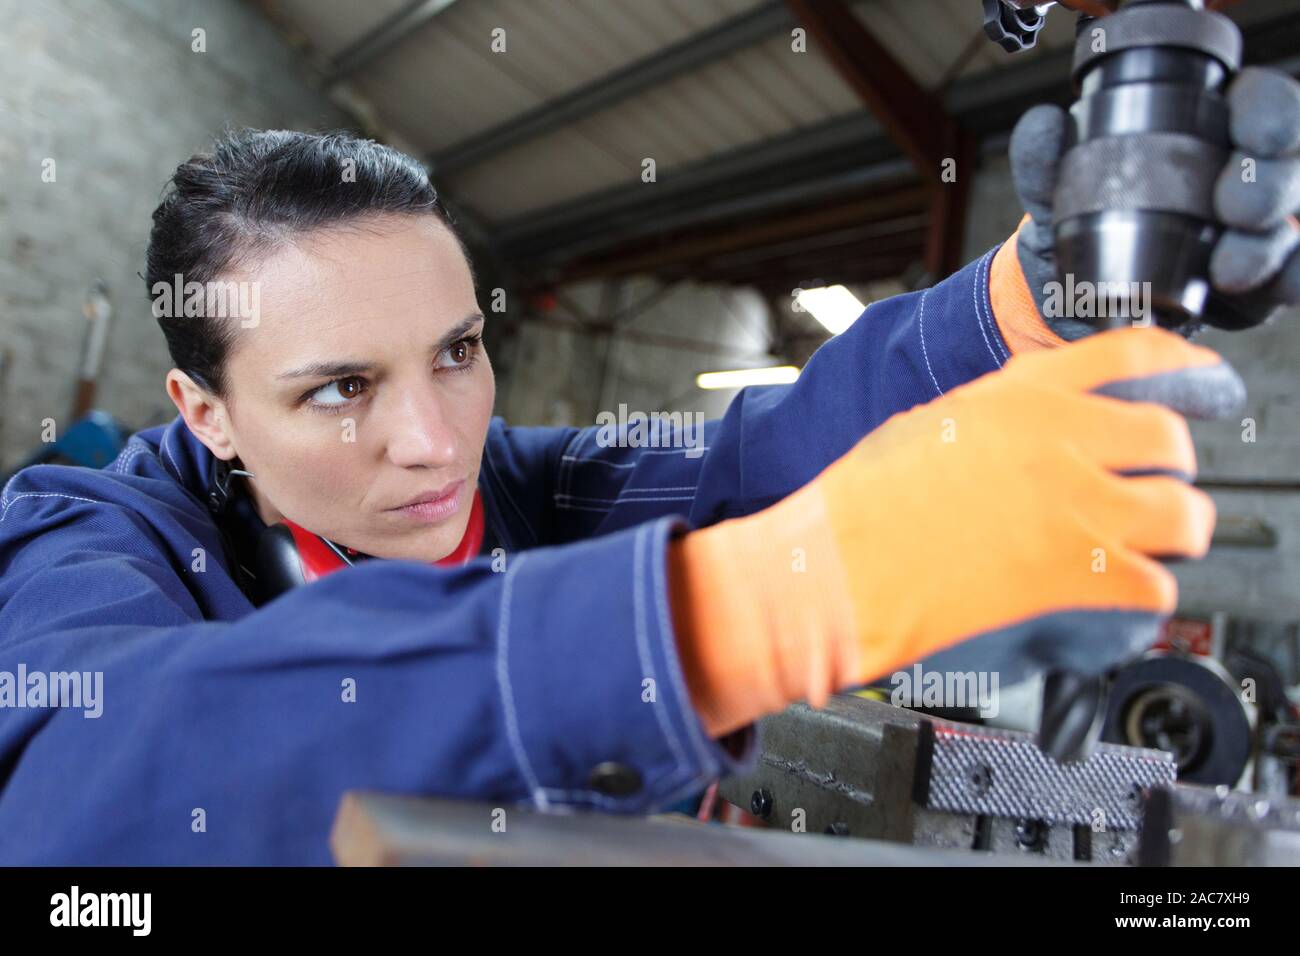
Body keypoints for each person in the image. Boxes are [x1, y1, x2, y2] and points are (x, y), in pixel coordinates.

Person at [1, 68, 1297, 864]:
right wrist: (749, 609)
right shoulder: (90, 533)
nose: (438, 439)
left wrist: (1018, 308)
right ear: (207, 410)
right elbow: (74, 789)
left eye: (457, 351)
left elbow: (767, 461)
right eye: (342, 388)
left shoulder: (530, 489)